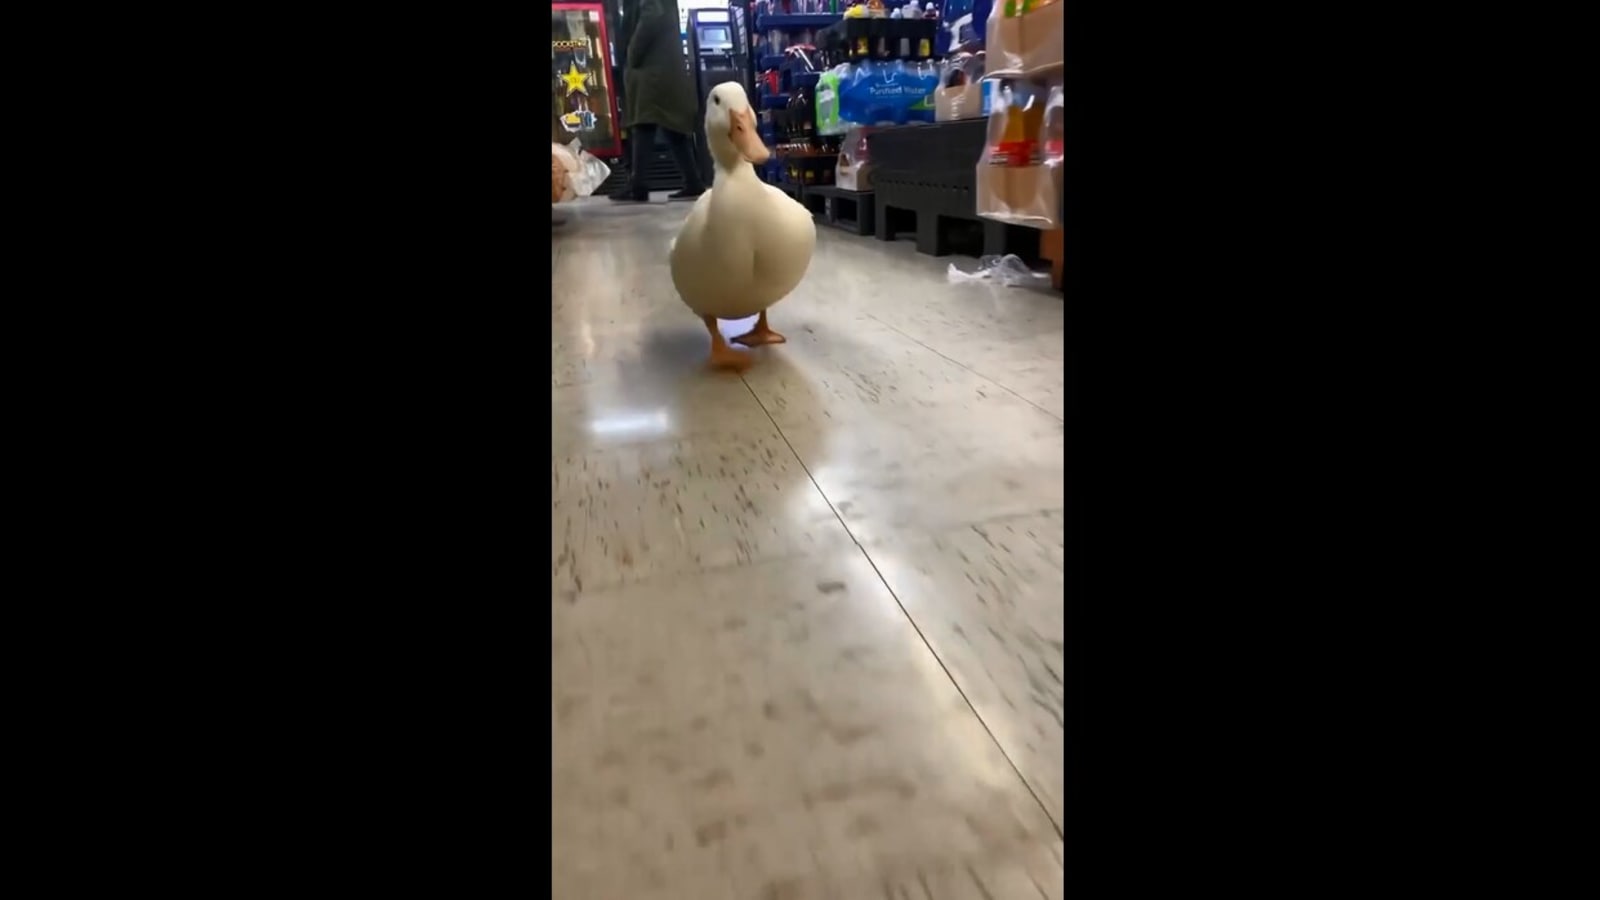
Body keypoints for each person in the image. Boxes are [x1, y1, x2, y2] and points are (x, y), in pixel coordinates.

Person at [612, 0, 708, 203]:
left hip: (650, 66)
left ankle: (637, 185)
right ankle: (693, 182)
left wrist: (633, 52)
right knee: (672, 126)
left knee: (643, 121)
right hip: (663, 64)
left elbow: (652, 14)